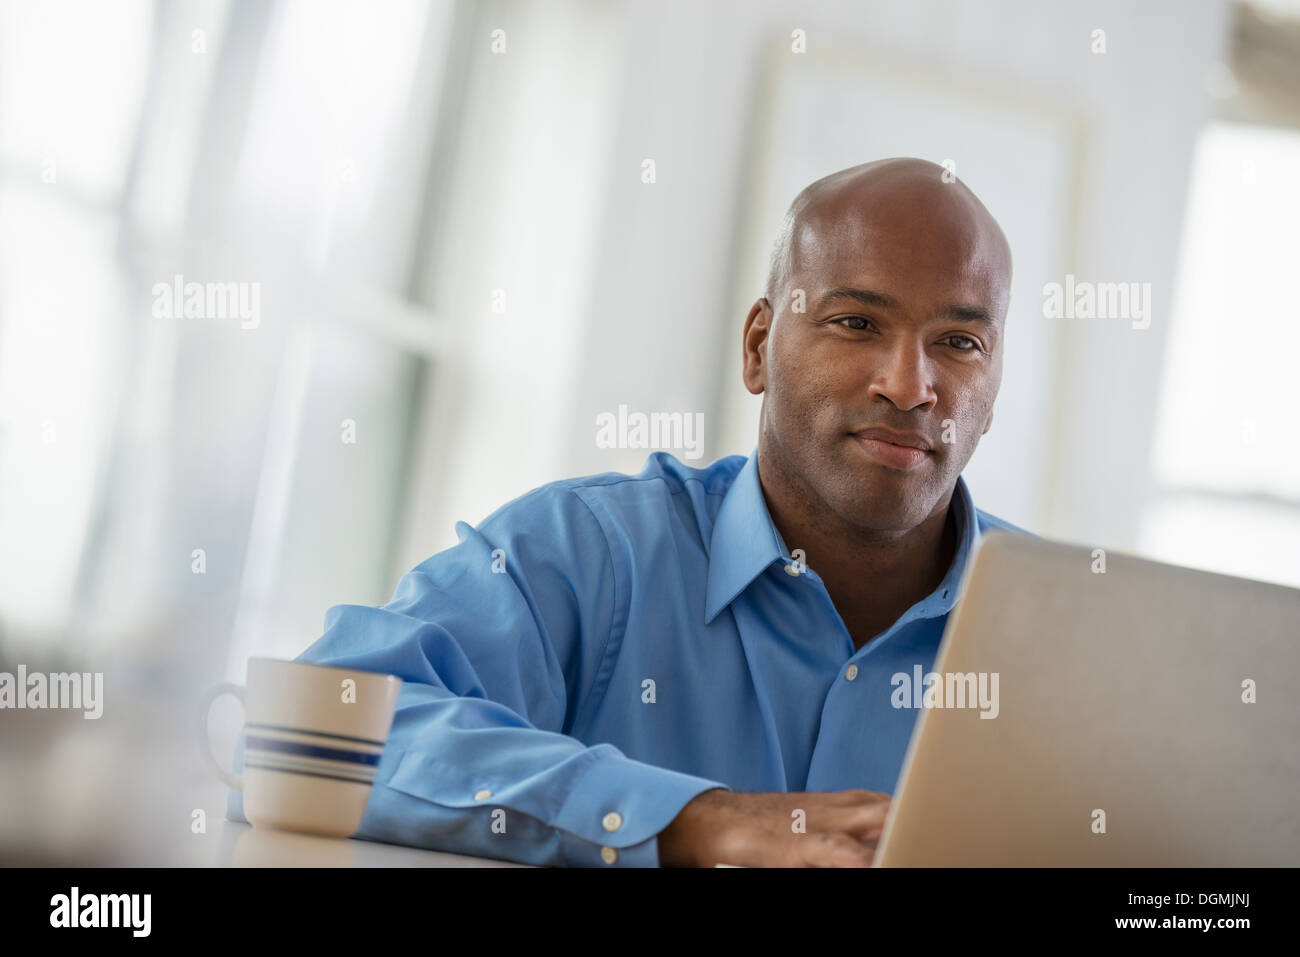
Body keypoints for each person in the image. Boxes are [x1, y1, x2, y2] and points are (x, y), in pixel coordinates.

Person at [225, 157, 1029, 867]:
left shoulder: (1061, 633)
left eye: (959, 343)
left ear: (991, 393)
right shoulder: (586, 553)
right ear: (757, 347)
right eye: (856, 323)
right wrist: (687, 821)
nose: (910, 384)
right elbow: (315, 735)